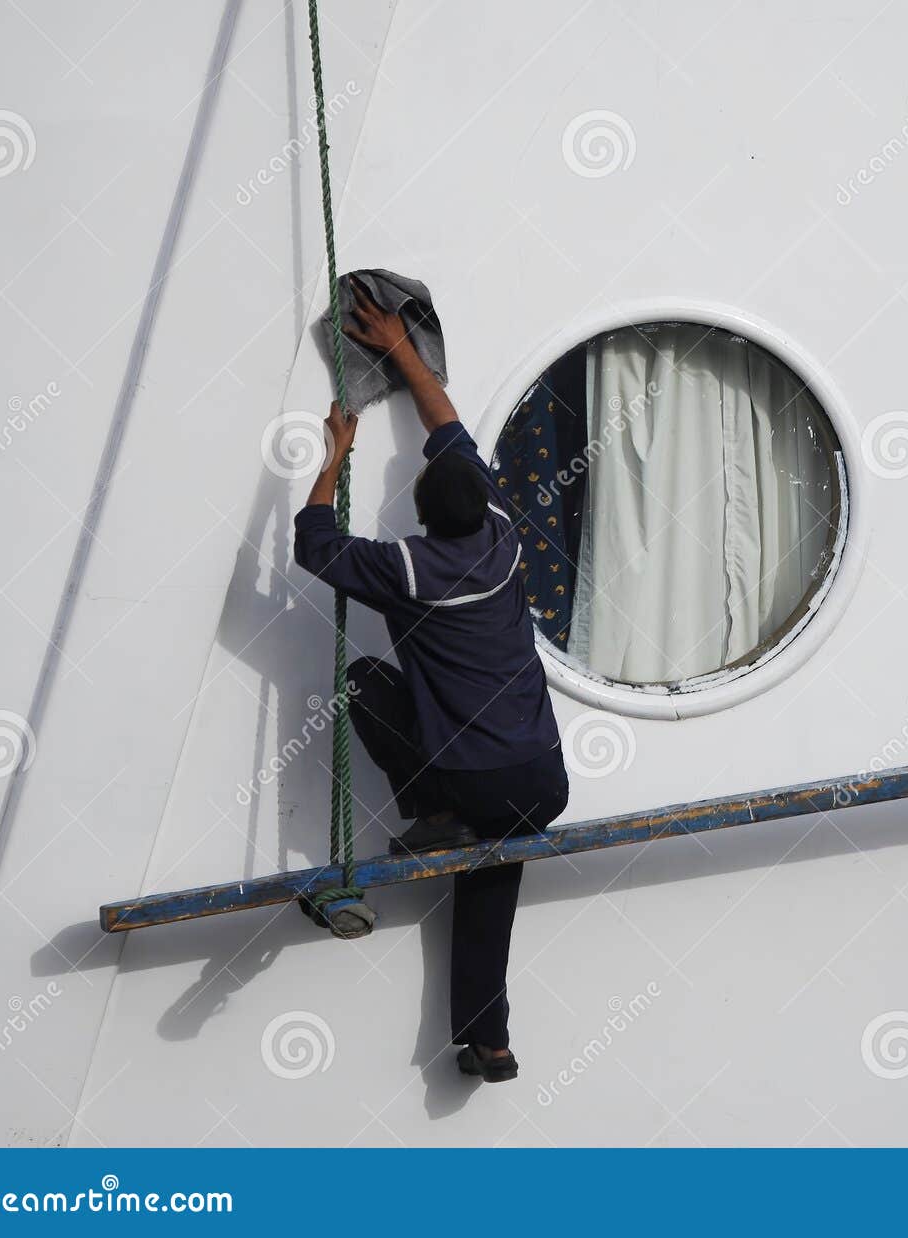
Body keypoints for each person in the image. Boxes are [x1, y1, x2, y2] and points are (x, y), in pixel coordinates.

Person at [293, 277, 565, 1082]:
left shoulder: (407, 570)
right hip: (541, 781)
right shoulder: (504, 535)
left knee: (362, 680)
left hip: (478, 783)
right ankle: (490, 1041)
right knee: (491, 874)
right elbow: (446, 427)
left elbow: (314, 545)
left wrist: (334, 458)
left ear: (422, 512)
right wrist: (404, 351)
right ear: (480, 500)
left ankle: (437, 812)